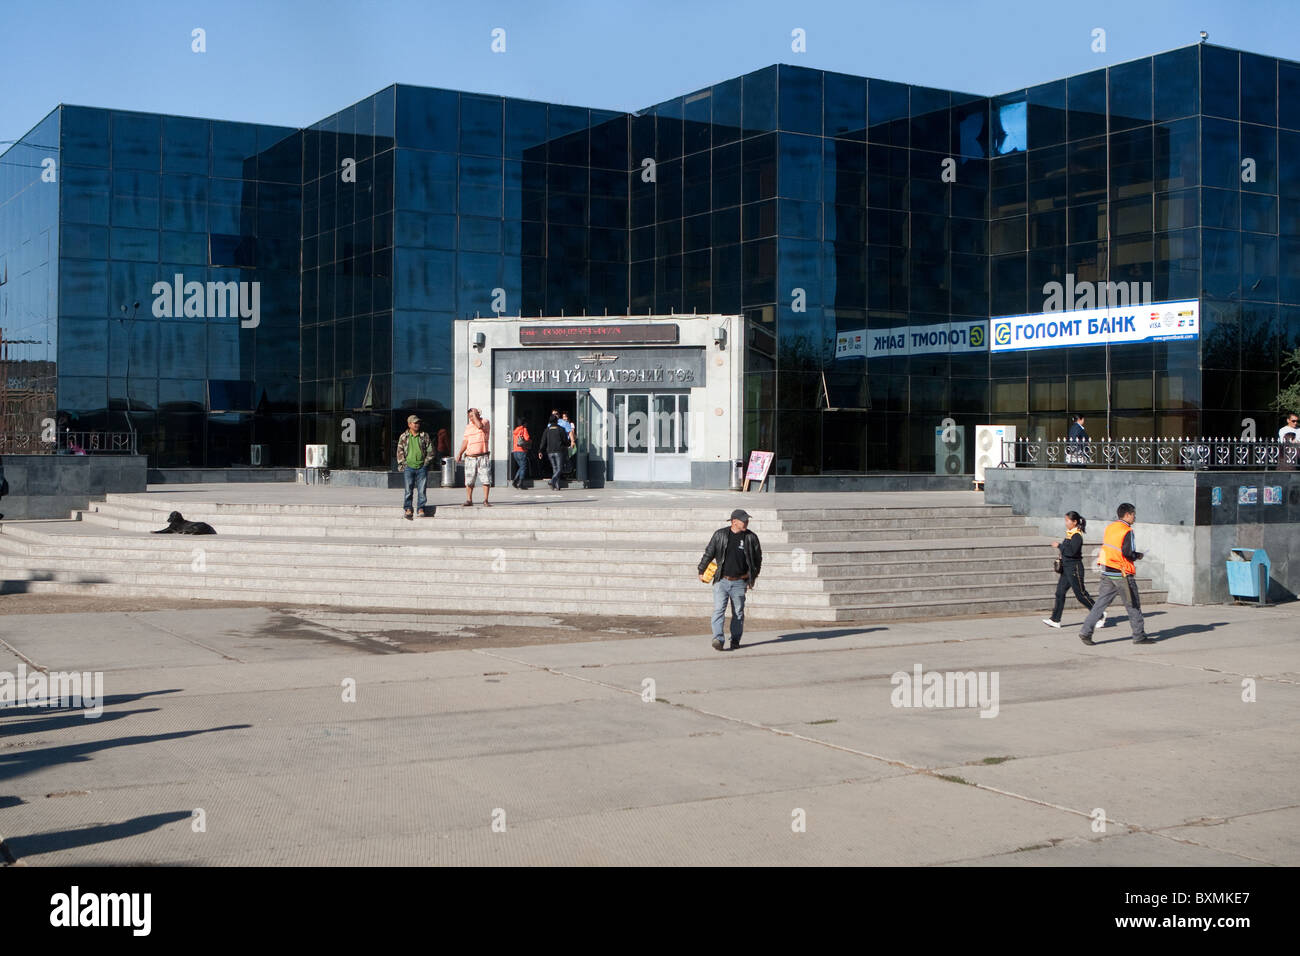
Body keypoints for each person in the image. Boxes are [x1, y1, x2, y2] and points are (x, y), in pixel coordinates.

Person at [1078, 502, 1152, 645]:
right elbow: (1127, 553)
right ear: (1128, 514)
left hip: (1107, 570)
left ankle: (1085, 631)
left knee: (1100, 604)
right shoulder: (1127, 530)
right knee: (1133, 604)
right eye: (1133, 514)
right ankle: (1139, 635)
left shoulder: (1110, 528)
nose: (1134, 517)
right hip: (1122, 574)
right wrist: (1137, 556)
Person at [697, 508, 763, 652]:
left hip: (740, 581)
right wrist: (701, 570)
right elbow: (709, 553)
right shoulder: (720, 535)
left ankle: (735, 639)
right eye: (744, 520)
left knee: (738, 612)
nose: (746, 522)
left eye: (747, 520)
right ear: (734, 522)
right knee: (719, 610)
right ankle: (718, 639)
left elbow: (757, 560)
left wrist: (751, 578)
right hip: (721, 580)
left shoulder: (751, 537)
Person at [1042, 511, 1097, 628]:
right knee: (1060, 592)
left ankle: (1099, 614)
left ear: (1075, 522)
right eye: (1065, 520)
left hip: (1074, 568)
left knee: (1081, 595)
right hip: (1066, 568)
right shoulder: (1070, 534)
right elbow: (1067, 550)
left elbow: (1073, 551)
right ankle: (1055, 620)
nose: (1066, 523)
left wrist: (1059, 546)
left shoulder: (1077, 535)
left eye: (1067, 520)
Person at [396, 414, 432, 520]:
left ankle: (421, 508)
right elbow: (399, 450)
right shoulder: (404, 436)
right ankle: (408, 508)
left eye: (418, 423)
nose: (417, 425)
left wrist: (426, 463)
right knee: (408, 489)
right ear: (409, 424)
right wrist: (403, 463)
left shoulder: (424, 435)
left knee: (422, 489)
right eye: (415, 423)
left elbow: (431, 450)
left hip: (422, 467)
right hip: (409, 467)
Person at [456, 407, 492, 507]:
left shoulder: (485, 422)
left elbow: (480, 426)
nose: (471, 418)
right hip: (470, 456)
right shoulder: (468, 427)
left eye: (473, 415)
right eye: (470, 416)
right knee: (469, 480)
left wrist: (475, 415)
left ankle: (485, 500)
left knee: (486, 479)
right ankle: (469, 499)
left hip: (482, 456)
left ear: (478, 415)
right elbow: (465, 441)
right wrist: (460, 453)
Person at [540, 414, 568, 491]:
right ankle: (552, 481)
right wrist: (566, 445)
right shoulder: (561, 429)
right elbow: (565, 441)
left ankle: (556, 486)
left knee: (555, 469)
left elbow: (543, 441)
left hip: (549, 452)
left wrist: (540, 450)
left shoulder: (547, 430)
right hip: (558, 451)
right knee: (560, 468)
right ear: (556, 421)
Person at [511, 417, 531, 488]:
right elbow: (527, 438)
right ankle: (520, 483)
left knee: (521, 467)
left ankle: (515, 481)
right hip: (522, 451)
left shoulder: (515, 430)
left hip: (515, 451)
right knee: (523, 467)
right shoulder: (524, 429)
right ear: (524, 423)